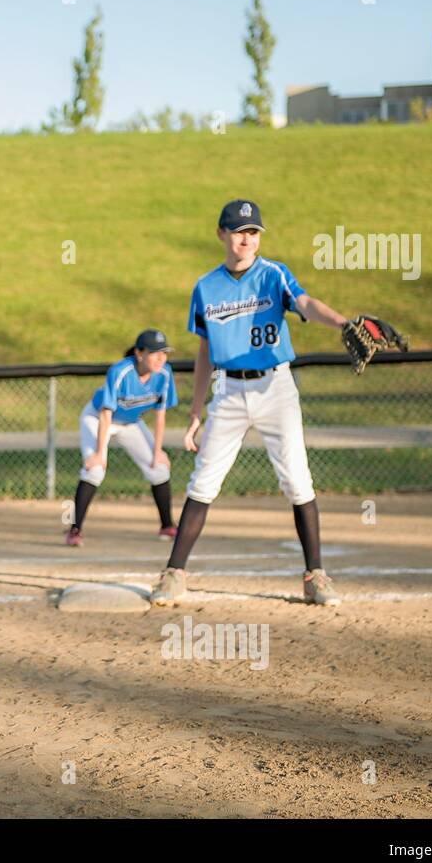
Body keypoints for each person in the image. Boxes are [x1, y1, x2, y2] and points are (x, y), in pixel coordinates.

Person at [151, 198, 349, 608]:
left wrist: (343, 323)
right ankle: (174, 575)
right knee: (203, 482)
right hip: (228, 392)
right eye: (239, 230)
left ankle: (315, 576)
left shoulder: (273, 274)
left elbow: (306, 304)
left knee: (297, 480)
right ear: (222, 234)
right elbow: (205, 351)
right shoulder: (206, 287)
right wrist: (194, 412)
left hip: (276, 389)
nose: (247, 238)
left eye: (254, 232)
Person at [65, 329, 178, 546]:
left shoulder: (164, 373)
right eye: (155, 353)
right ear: (139, 353)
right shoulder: (120, 371)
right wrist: (99, 453)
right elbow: (106, 412)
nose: (161, 358)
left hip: (131, 422)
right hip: (97, 418)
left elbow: (160, 415)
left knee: (159, 468)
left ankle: (167, 526)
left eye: (164, 353)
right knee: (95, 470)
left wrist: (158, 452)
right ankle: (74, 530)